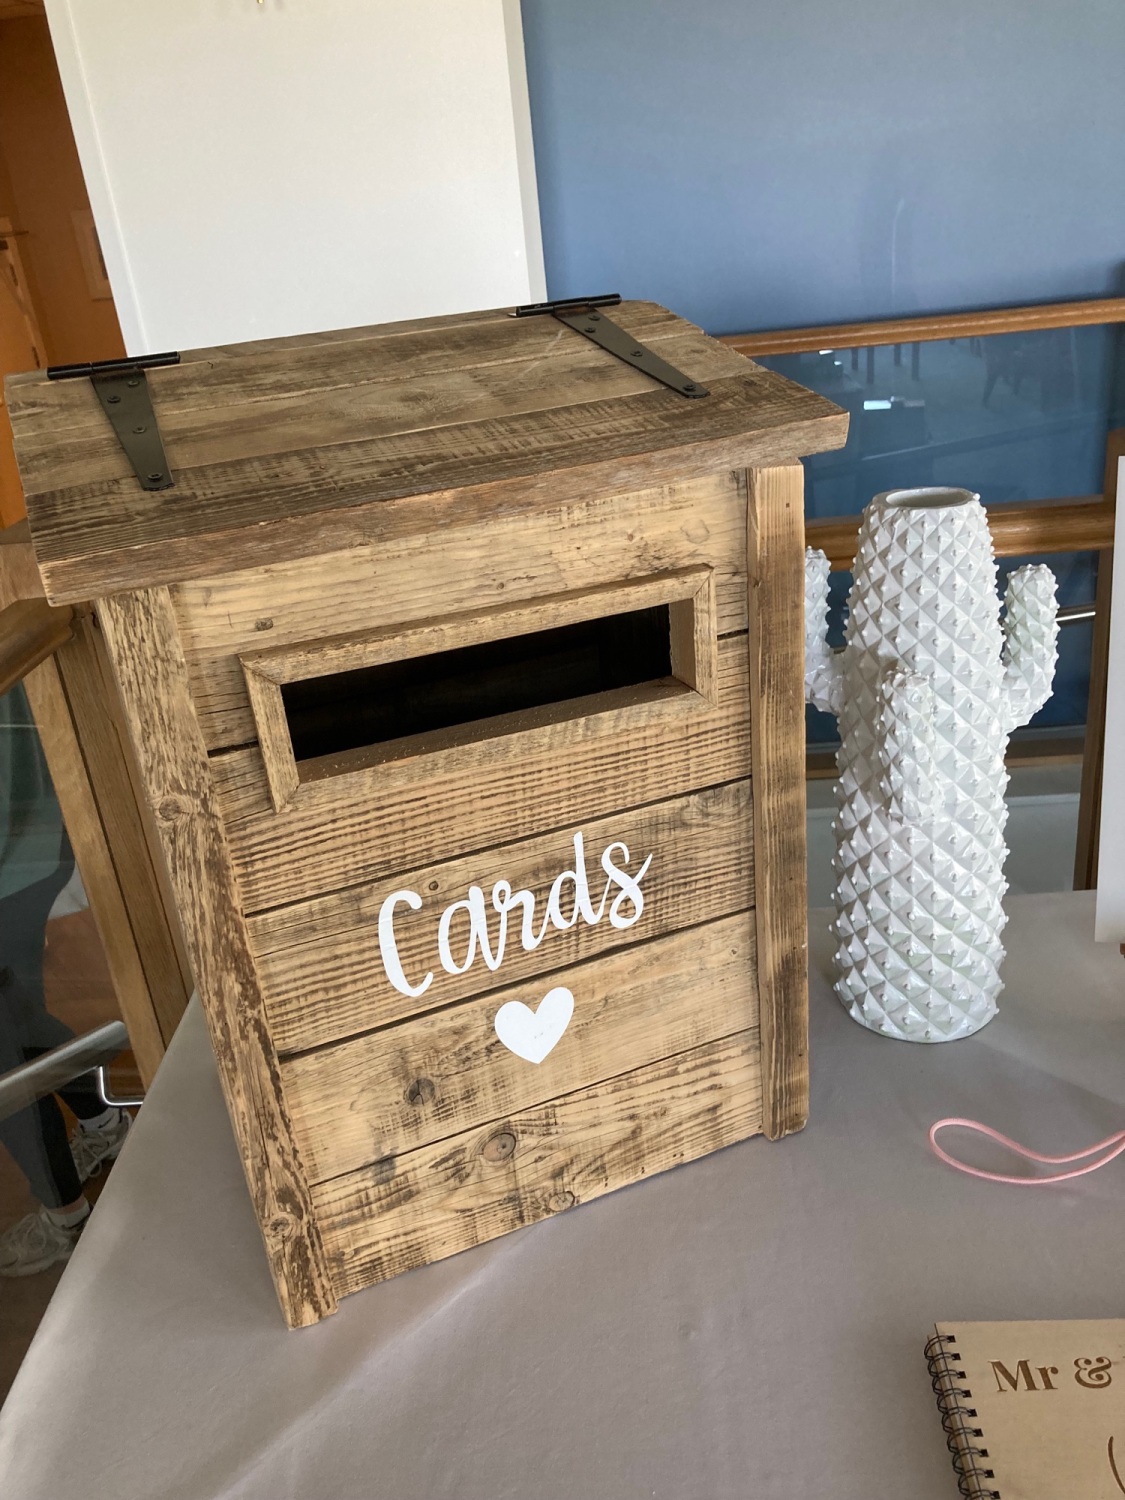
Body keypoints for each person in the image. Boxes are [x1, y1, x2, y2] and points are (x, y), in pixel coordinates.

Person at [0, 684, 131, 1277]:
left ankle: (67, 1219)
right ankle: (104, 1125)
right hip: (33, 836)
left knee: (2, 1050)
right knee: (17, 1012)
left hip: (13, 849)